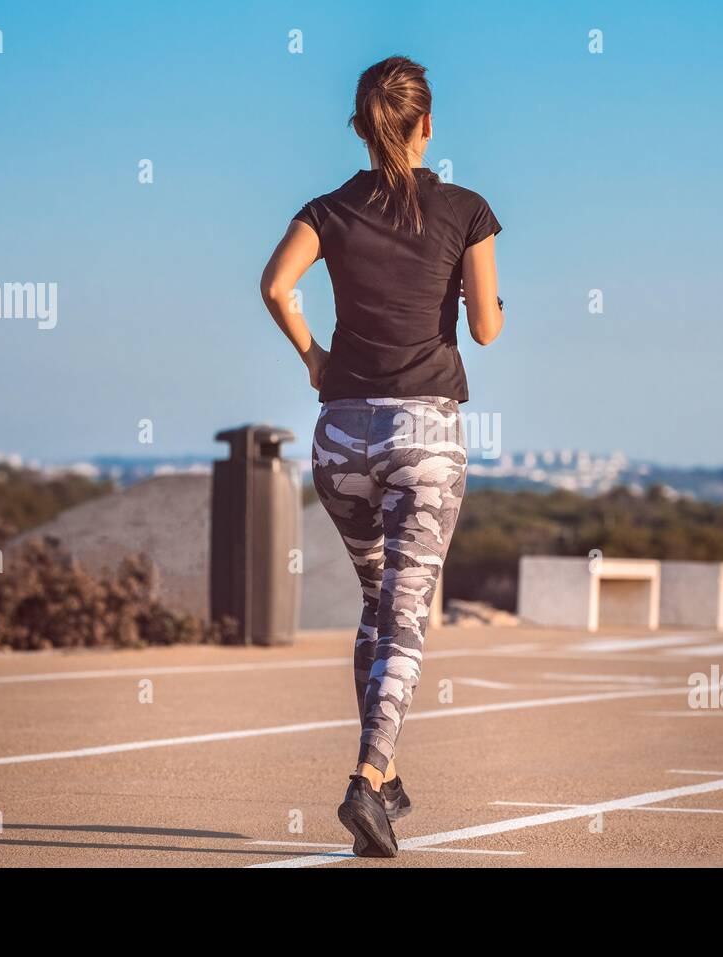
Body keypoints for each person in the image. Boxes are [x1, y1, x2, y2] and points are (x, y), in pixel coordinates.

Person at [259, 55, 504, 857]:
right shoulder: (465, 210)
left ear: (362, 128)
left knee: (377, 604)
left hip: (340, 436)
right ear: (428, 125)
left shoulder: (327, 210)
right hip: (423, 434)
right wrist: (489, 297)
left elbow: (273, 286)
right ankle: (366, 780)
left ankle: (387, 774)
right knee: (404, 613)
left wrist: (313, 358)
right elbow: (485, 328)